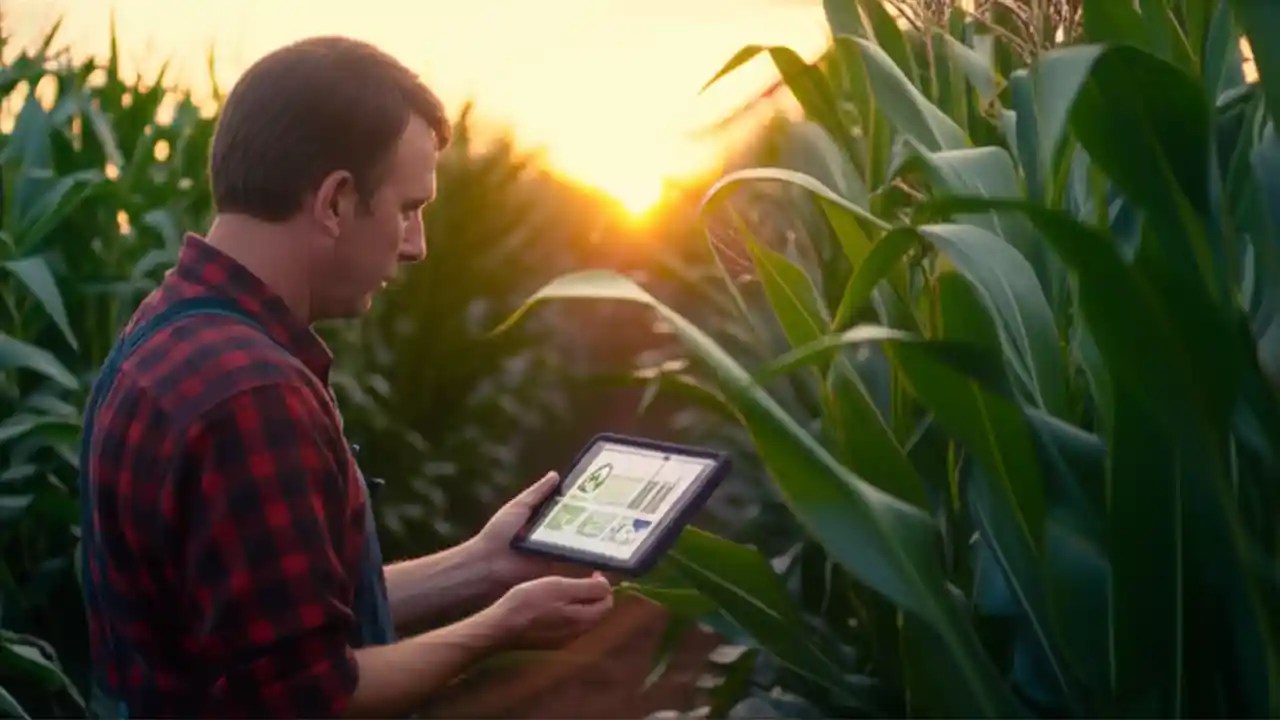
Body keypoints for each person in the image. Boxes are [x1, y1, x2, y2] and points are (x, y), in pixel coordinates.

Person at [77, 35, 614, 718]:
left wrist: (481, 566)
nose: (417, 244)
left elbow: (274, 623)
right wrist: (498, 629)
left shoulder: (164, 334)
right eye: (408, 208)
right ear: (334, 201)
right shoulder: (252, 395)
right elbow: (306, 694)